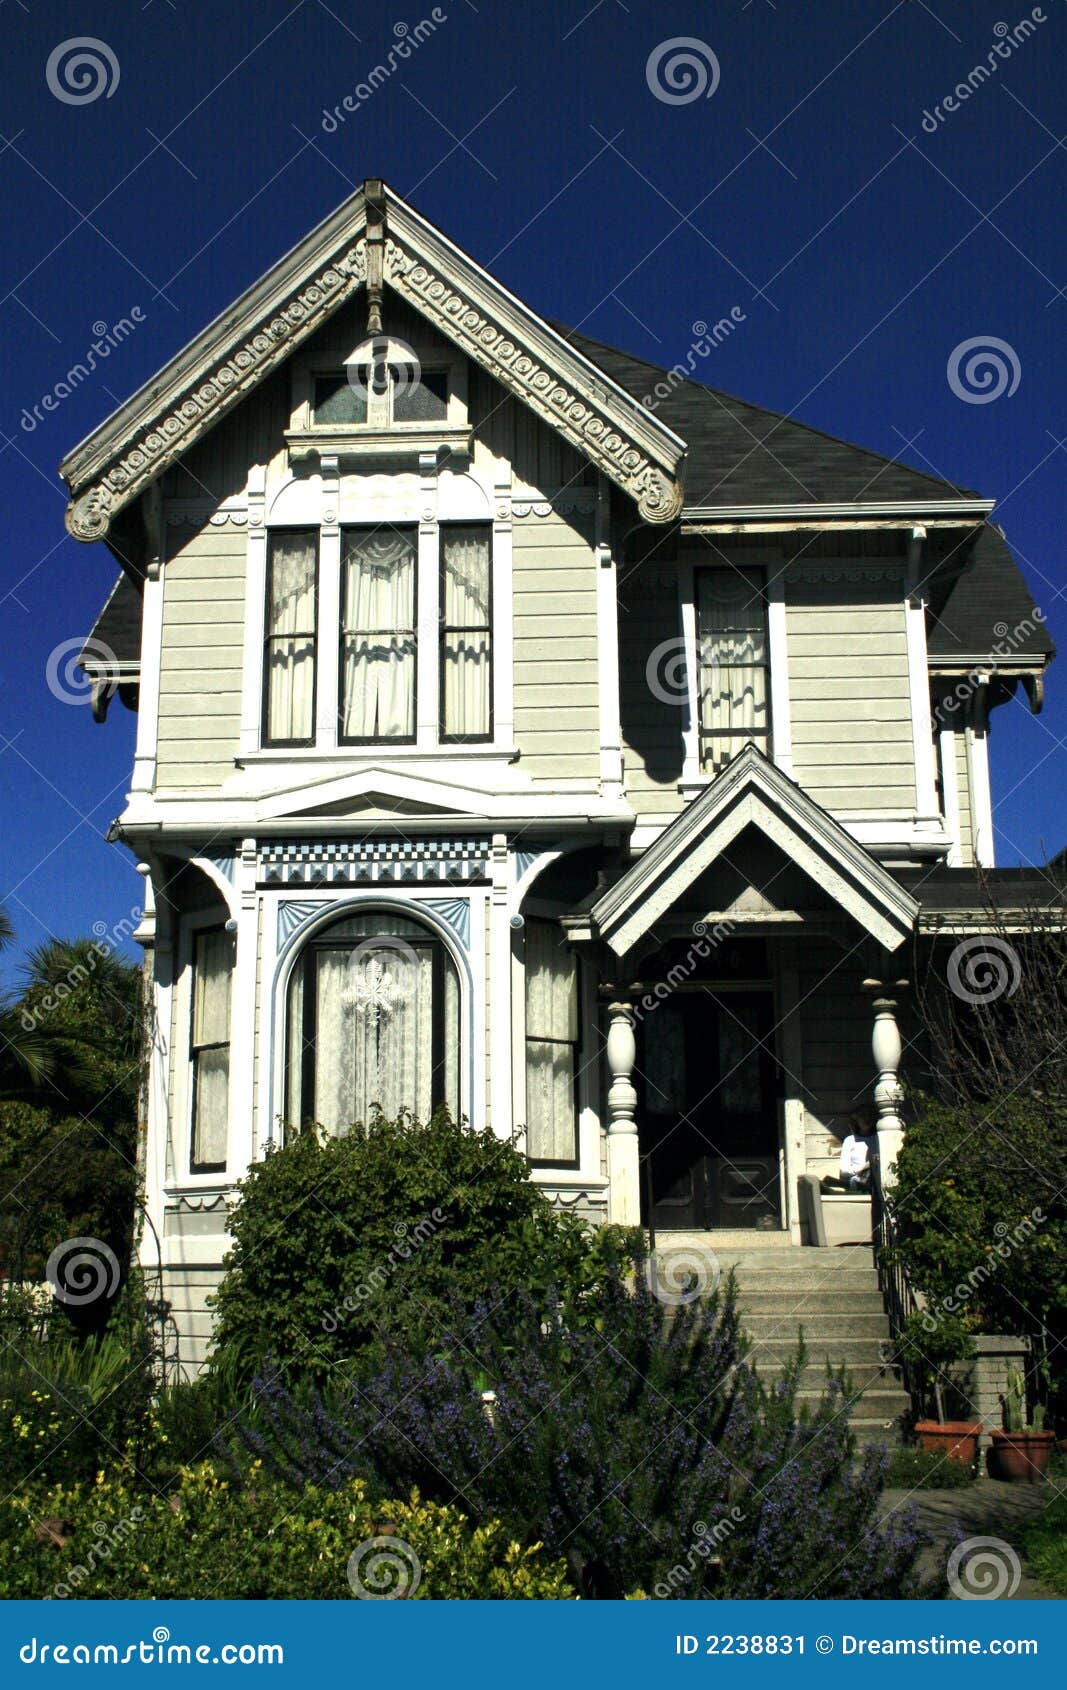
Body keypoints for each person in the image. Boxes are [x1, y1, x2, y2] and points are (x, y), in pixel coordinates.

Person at [821, 1107, 877, 1192]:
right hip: (858, 1181)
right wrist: (862, 1168)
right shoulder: (850, 1140)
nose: (866, 1119)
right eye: (862, 1116)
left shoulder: (878, 1138)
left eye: (869, 1116)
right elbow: (844, 1170)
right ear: (856, 1120)